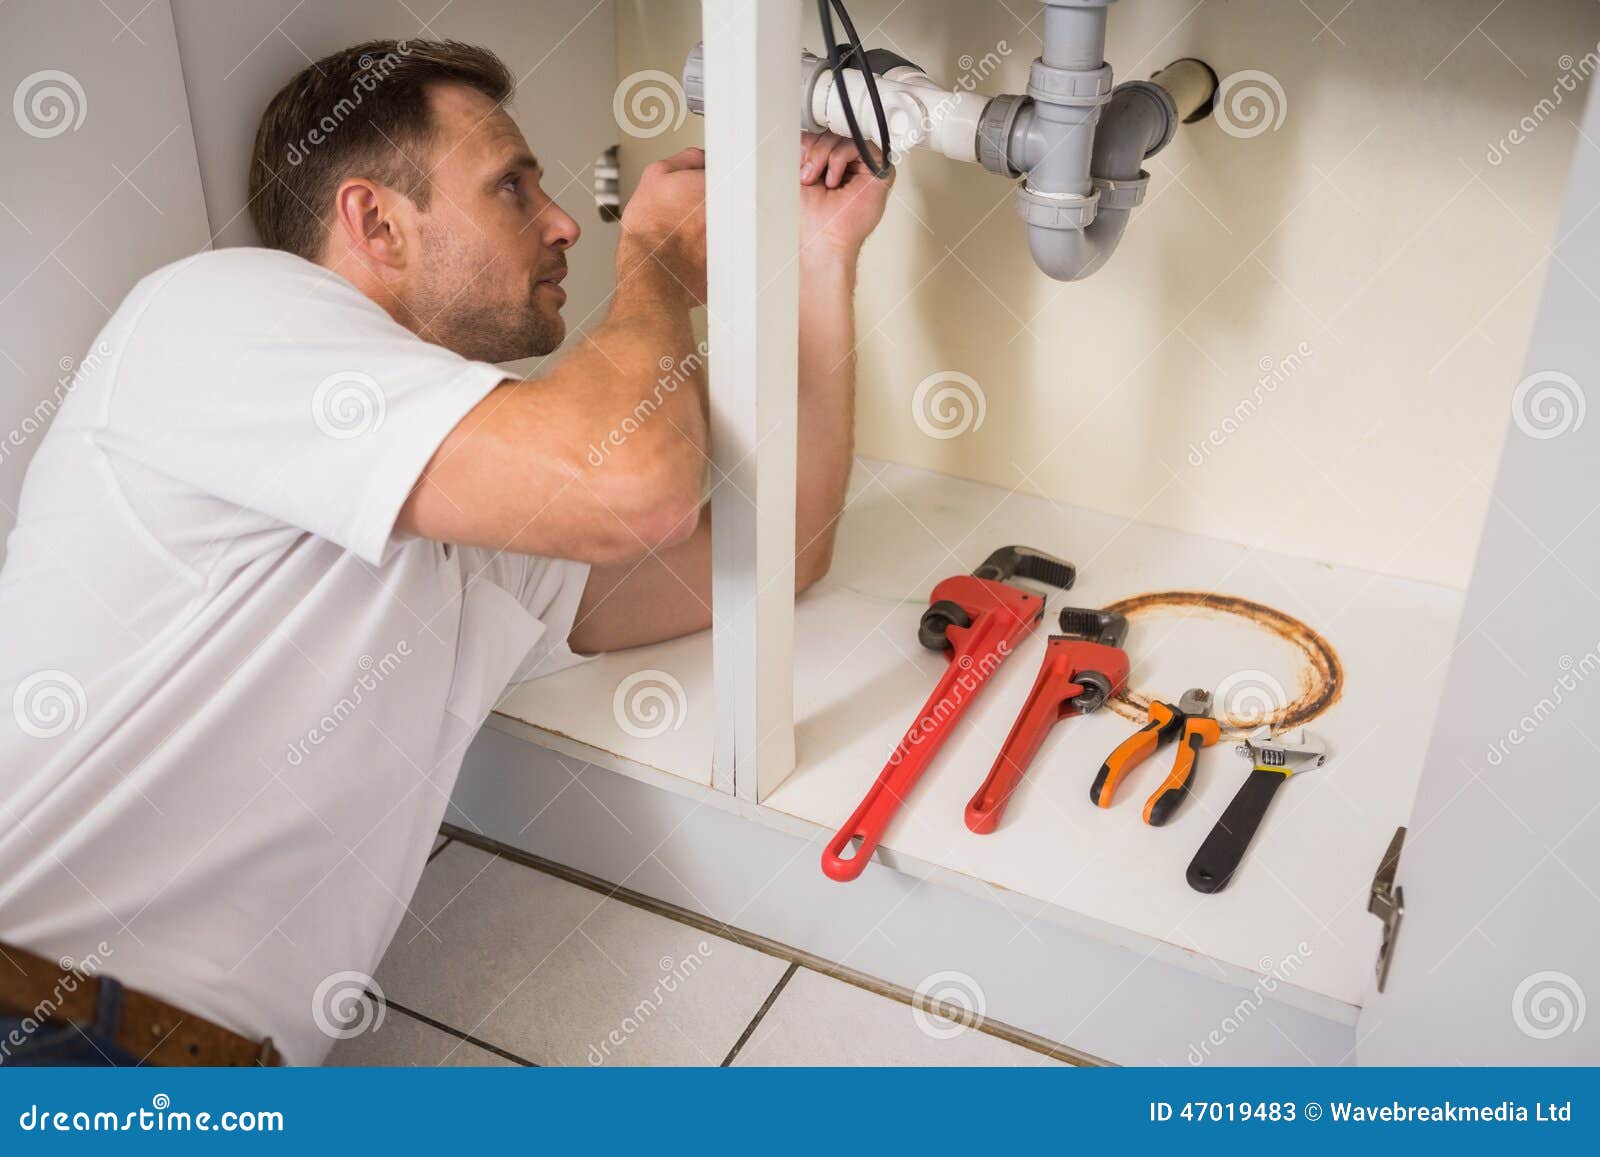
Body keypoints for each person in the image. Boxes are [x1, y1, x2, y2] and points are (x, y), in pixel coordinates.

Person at [0, 38, 890, 1066]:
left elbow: (776, 553)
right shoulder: (220, 308)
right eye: (512, 185)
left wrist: (821, 257)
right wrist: (650, 261)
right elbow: (632, 487)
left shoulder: (467, 504)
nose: (564, 222)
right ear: (375, 220)